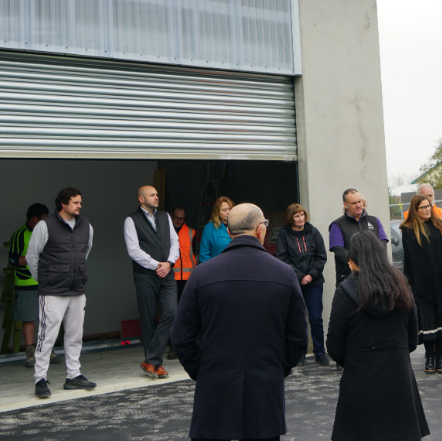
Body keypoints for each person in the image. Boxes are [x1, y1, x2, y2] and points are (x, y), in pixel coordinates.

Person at [171, 203, 308, 441]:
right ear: (259, 230)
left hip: (215, 386)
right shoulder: (284, 273)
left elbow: (181, 336)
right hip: (265, 385)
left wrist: (202, 370)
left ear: (229, 230)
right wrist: (277, 368)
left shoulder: (202, 274)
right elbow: (298, 336)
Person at [327, 231, 429, 441]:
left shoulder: (345, 293)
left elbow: (334, 345)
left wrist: (356, 359)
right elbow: (411, 340)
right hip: (399, 379)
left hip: (359, 381)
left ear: (353, 261)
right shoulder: (402, 288)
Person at [26, 186, 96, 399]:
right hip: (52, 290)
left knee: (75, 334)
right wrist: (45, 281)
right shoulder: (44, 226)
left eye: (80, 202)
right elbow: (32, 257)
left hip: (77, 289)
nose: (79, 206)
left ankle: (73, 376)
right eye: (75, 202)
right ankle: (40, 379)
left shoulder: (86, 226)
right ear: (63, 204)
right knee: (46, 336)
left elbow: (85, 252)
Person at [400, 194, 442, 375]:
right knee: (427, 321)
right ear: (415, 210)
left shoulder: (440, 225)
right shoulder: (409, 230)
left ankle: (441, 357)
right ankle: (429, 356)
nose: (427, 209)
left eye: (429, 206)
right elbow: (410, 260)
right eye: (423, 207)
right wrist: (410, 282)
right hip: (422, 284)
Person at [123, 185, 179, 379]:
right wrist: (157, 265)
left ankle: (151, 360)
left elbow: (175, 241)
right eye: (152, 195)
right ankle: (155, 363)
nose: (157, 197)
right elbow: (133, 250)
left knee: (171, 312)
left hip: (167, 273)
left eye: (157, 194)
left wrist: (169, 263)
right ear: (141, 199)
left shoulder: (165, 216)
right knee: (147, 318)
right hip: (145, 275)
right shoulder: (131, 220)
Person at [275, 203, 329, 366]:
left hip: (314, 282)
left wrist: (311, 275)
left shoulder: (313, 232)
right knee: (297, 320)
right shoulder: (283, 235)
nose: (301, 218)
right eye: (297, 216)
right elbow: (282, 258)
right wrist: (299, 276)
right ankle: (300, 353)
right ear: (291, 218)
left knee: (315, 318)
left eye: (302, 215)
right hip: (294, 283)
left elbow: (321, 256)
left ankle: (320, 352)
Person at [8, 203, 51, 368]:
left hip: (46, 281)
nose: (45, 223)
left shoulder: (47, 232)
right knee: (28, 318)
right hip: (26, 282)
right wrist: (33, 257)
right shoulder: (19, 234)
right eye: (43, 219)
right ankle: (30, 351)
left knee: (47, 317)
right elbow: (13, 260)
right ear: (34, 219)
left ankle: (46, 349)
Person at [329, 189, 388, 286]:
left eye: (359, 201)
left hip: (375, 276)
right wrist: (361, 265)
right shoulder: (337, 225)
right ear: (345, 205)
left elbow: (383, 245)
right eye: (354, 203)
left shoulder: (374, 221)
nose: (358, 205)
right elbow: (339, 251)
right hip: (349, 278)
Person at [170, 206, 198, 301]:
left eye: (181, 219)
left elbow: (193, 253)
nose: (179, 221)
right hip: (171, 276)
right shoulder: (166, 232)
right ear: (171, 216)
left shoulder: (191, 232)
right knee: (171, 306)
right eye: (176, 218)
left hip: (188, 278)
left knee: (185, 304)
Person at [199, 196, 234, 263]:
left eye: (230, 209)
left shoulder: (239, 225)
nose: (228, 212)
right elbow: (204, 255)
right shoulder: (209, 228)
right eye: (224, 210)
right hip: (217, 269)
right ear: (217, 212)